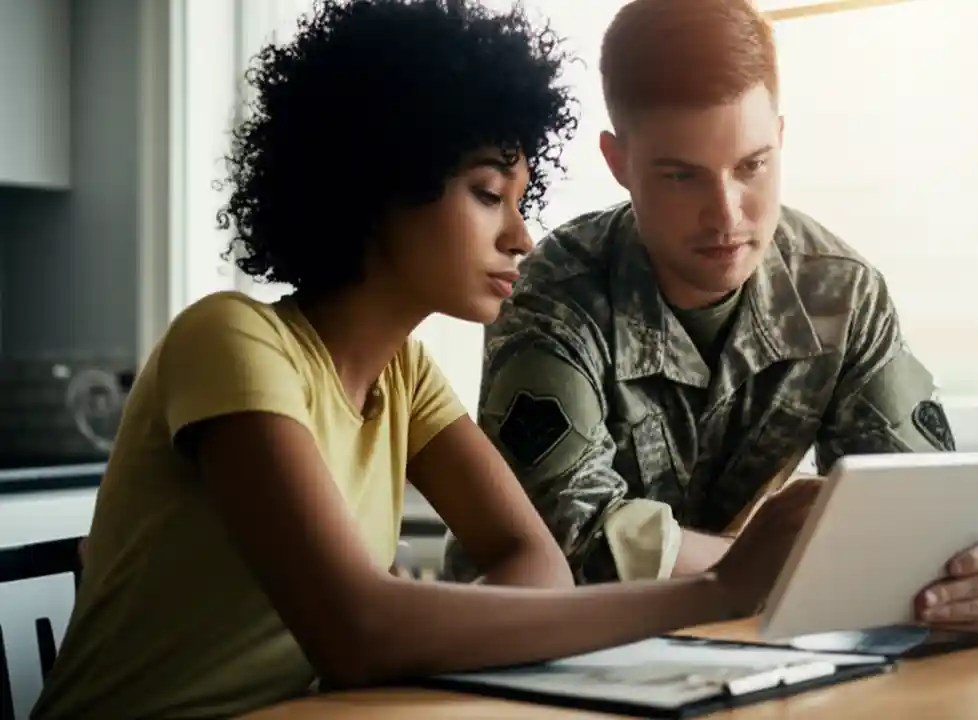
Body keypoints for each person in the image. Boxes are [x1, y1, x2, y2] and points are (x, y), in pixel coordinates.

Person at [31, 2, 822, 717]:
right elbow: (358, 632)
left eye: (521, 199)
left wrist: (422, 623)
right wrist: (716, 589)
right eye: (487, 194)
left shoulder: (404, 377)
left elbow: (536, 563)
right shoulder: (231, 340)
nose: (522, 237)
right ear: (383, 184)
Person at [443, 0, 978, 638]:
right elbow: (572, 540)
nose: (726, 215)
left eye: (752, 166)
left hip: (739, 646)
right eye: (681, 177)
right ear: (619, 163)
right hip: (529, 657)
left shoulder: (840, 295)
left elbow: (924, 515)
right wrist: (783, 573)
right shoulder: (549, 297)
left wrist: (973, 575)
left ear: (780, 137)